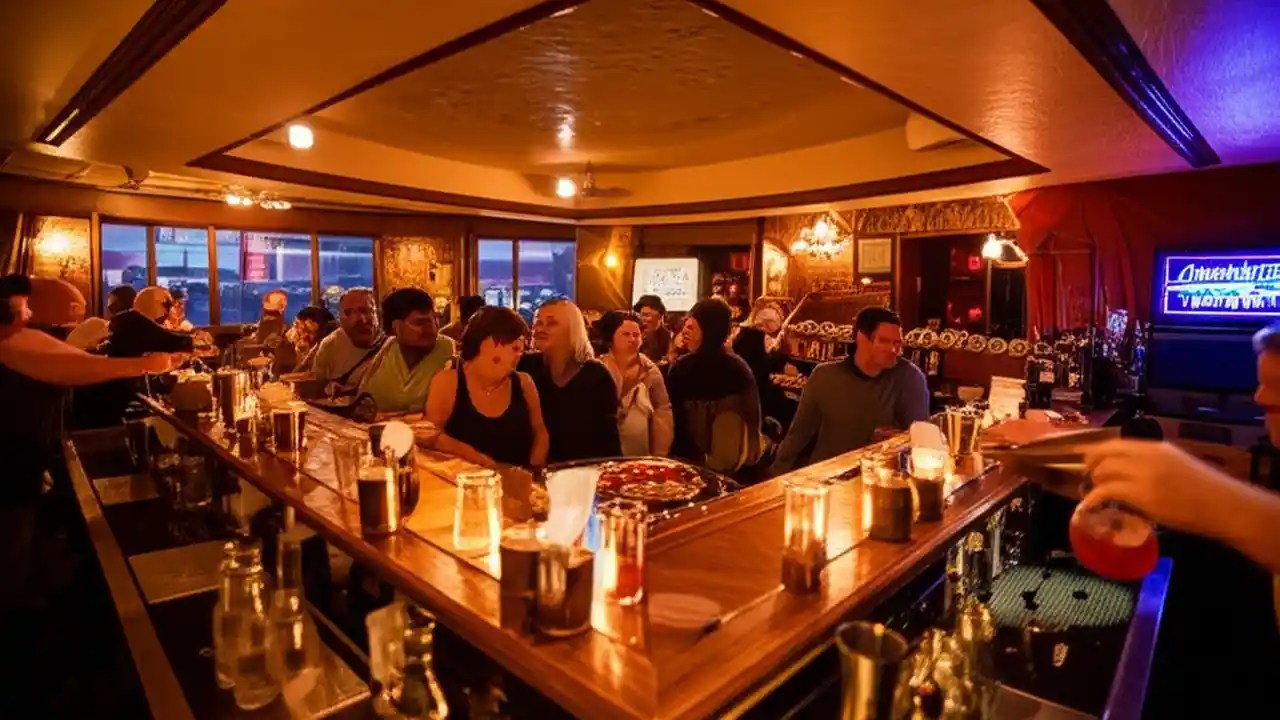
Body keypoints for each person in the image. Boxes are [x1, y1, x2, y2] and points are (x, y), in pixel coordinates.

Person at [771, 307, 929, 473]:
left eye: (897, 343)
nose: (893, 350)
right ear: (862, 339)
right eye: (884, 341)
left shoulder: (910, 378)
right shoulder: (825, 376)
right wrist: (774, 477)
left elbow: (921, 443)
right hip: (826, 476)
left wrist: (895, 443)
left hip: (879, 476)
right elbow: (797, 437)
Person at [424, 306, 548, 468]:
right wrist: (471, 455)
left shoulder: (523, 382)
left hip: (518, 477)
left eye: (521, 346)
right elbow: (432, 435)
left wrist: (534, 470)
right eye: (512, 345)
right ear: (484, 343)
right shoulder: (448, 381)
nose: (520, 352)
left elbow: (540, 434)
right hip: (465, 478)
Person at [665, 297, 763, 472]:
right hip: (703, 463)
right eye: (685, 326)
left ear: (709, 331)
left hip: (721, 465)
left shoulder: (735, 370)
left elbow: (749, 419)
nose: (684, 332)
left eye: (691, 327)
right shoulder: (682, 367)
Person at [519, 298, 621, 462]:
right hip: (533, 468)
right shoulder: (525, 366)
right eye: (538, 323)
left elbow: (609, 440)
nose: (540, 329)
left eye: (551, 323)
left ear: (573, 330)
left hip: (583, 470)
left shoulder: (596, 376)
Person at [359, 288, 455, 413]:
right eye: (420, 323)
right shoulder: (388, 348)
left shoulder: (446, 351)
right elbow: (365, 397)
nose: (432, 327)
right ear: (396, 327)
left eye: (435, 319)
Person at [596, 310, 674, 456]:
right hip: (603, 447)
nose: (632, 339)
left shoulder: (650, 371)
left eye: (636, 335)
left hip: (640, 450)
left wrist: (660, 453)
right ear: (611, 337)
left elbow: (662, 410)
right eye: (625, 334)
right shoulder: (597, 368)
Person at [310, 288, 384, 389]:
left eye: (365, 311)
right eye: (349, 313)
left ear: (377, 314)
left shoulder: (393, 346)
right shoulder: (329, 346)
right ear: (341, 320)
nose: (361, 319)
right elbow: (316, 387)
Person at [106, 286, 199, 358]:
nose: (170, 310)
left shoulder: (128, 322)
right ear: (155, 305)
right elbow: (167, 339)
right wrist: (195, 342)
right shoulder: (135, 325)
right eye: (167, 305)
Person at [273, 305, 335, 375]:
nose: (294, 329)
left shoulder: (323, 348)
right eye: (295, 325)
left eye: (297, 325)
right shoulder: (293, 343)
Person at [634, 294, 672, 363]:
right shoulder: (634, 335)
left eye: (646, 315)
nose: (642, 319)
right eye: (640, 315)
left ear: (660, 316)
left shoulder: (669, 338)